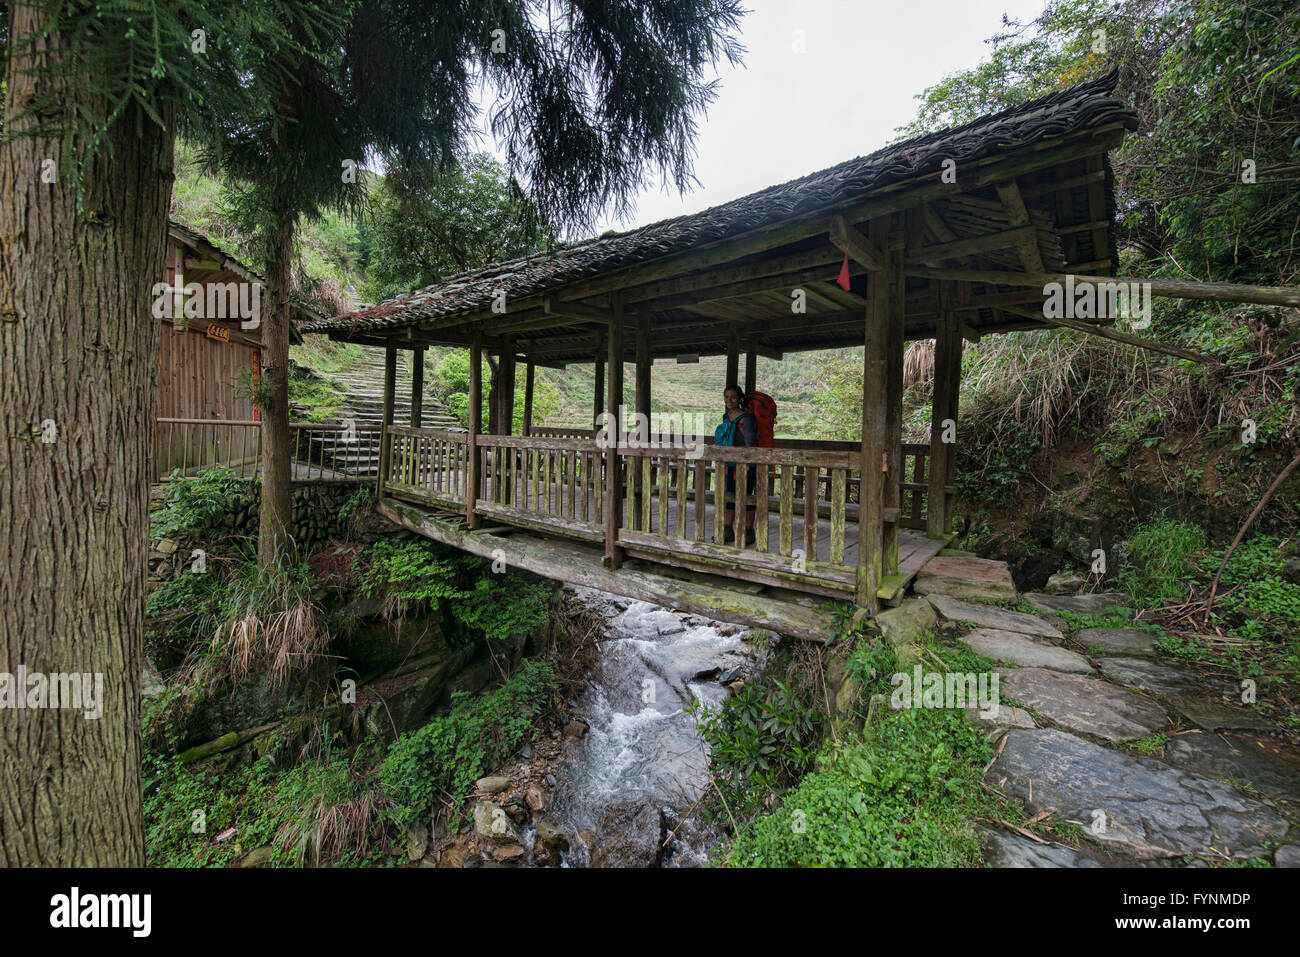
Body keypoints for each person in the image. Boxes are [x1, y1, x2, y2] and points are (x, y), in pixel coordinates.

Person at [716, 384, 757, 545]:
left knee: (747, 497)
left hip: (746, 465)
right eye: (726, 397)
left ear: (740, 398)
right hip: (731, 464)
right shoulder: (726, 417)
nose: (729, 400)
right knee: (730, 495)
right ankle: (728, 530)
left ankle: (748, 531)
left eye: (733, 397)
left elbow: (749, 443)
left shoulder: (746, 419)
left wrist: (746, 462)